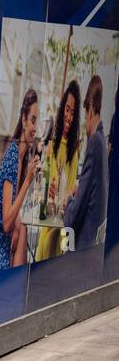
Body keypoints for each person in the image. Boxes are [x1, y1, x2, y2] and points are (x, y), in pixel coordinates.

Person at [0, 89, 41, 273]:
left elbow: (12, 215)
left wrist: (17, 225)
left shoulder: (21, 158)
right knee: (21, 229)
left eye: (37, 121)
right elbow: (6, 223)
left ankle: (16, 292)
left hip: (3, 242)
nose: (35, 128)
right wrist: (28, 181)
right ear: (24, 120)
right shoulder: (12, 155)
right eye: (32, 120)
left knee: (23, 229)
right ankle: (14, 292)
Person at [35, 80, 82, 261]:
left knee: (62, 258)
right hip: (47, 223)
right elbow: (42, 192)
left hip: (63, 224)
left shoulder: (74, 150)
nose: (69, 116)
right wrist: (46, 195)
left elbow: (70, 194)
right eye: (67, 110)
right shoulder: (51, 146)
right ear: (62, 109)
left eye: (73, 112)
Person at [64, 75, 107, 251]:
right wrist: (78, 189)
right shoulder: (102, 141)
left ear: (89, 110)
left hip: (81, 249)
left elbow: (73, 218)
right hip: (91, 244)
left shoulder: (94, 143)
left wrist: (67, 200)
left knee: (62, 241)